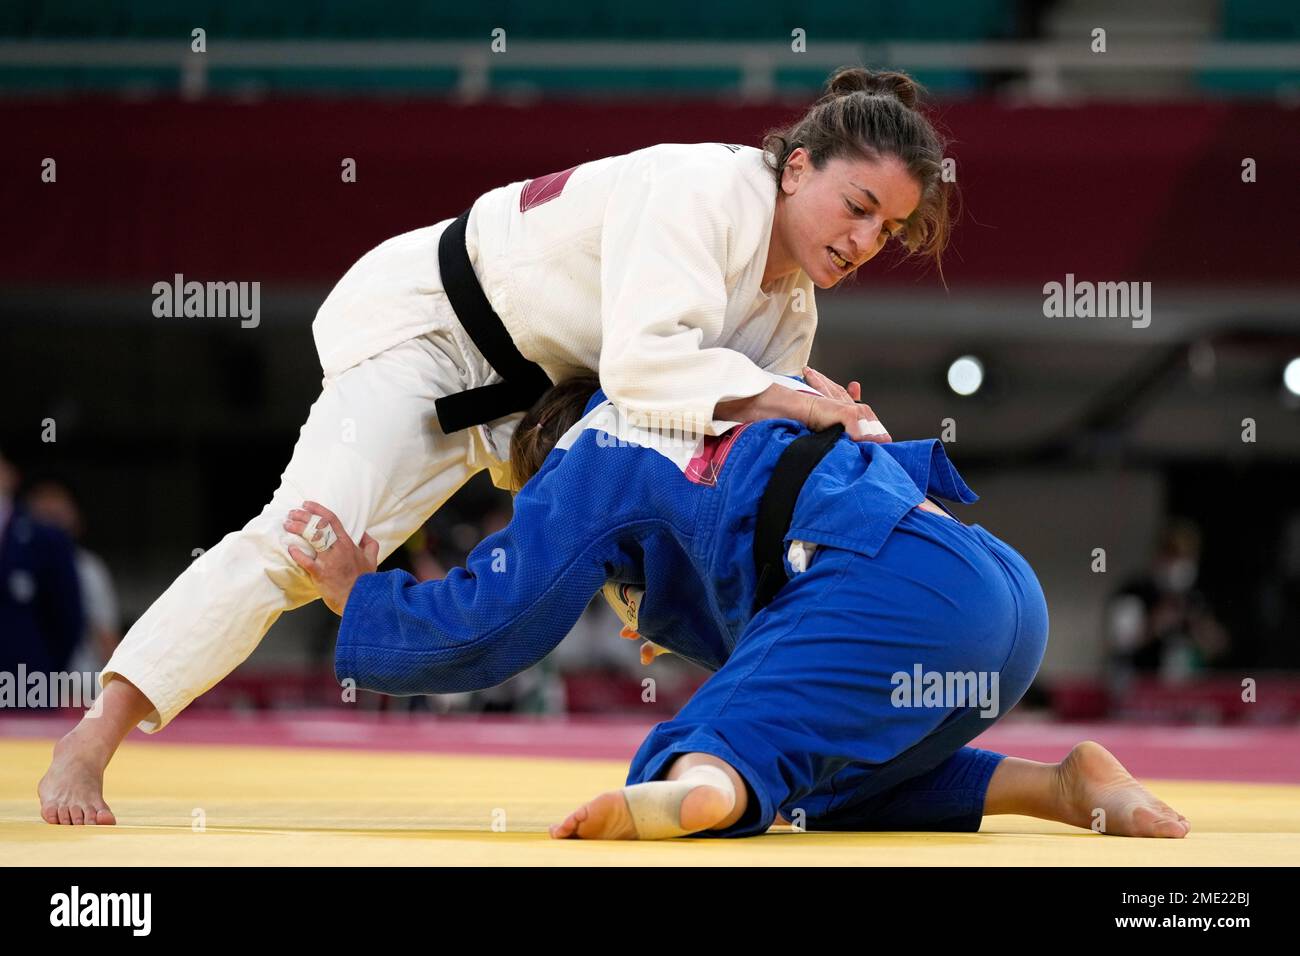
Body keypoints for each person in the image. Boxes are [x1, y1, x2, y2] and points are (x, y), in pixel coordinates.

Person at [40, 65, 957, 826]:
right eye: (860, 205)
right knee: (297, 539)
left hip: (544, 408)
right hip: (436, 338)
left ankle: (802, 758)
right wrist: (790, 402)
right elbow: (645, 373)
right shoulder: (705, 190)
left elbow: (688, 440)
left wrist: (649, 579)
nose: (867, 240)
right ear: (798, 167)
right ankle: (93, 736)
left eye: (890, 230)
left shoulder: (789, 310)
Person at [288, 374, 1191, 840]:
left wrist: (360, 598)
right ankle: (1060, 785)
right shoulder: (734, 396)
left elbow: (493, 622)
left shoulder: (597, 444)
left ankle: (688, 793)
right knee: (804, 778)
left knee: (714, 749)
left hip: (894, 584)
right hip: (993, 596)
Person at [0, 448, 85, 699]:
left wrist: (42, 676)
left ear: (10, 475)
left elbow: (67, 620)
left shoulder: (47, 539)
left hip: (25, 690)